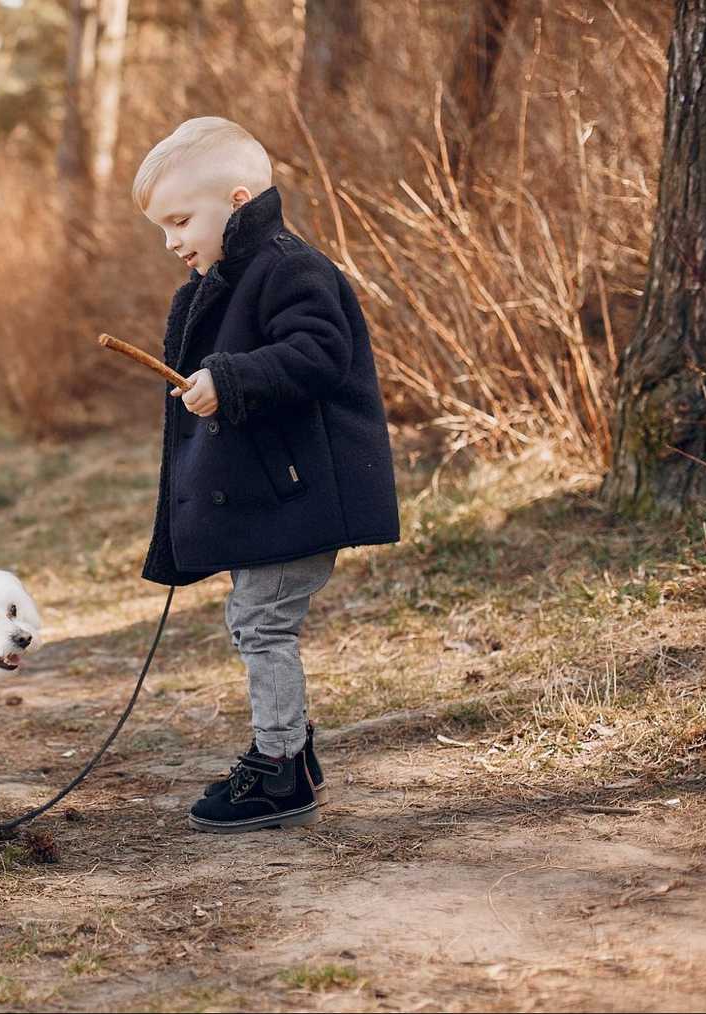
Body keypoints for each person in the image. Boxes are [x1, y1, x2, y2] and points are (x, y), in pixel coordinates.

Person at [132, 116, 400, 833]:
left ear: (240, 201)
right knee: (255, 620)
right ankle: (295, 758)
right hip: (275, 496)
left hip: (301, 495)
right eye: (162, 227)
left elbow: (318, 352)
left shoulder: (289, 268)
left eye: (182, 219)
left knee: (261, 623)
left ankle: (280, 767)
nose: (171, 240)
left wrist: (229, 376)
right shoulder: (222, 280)